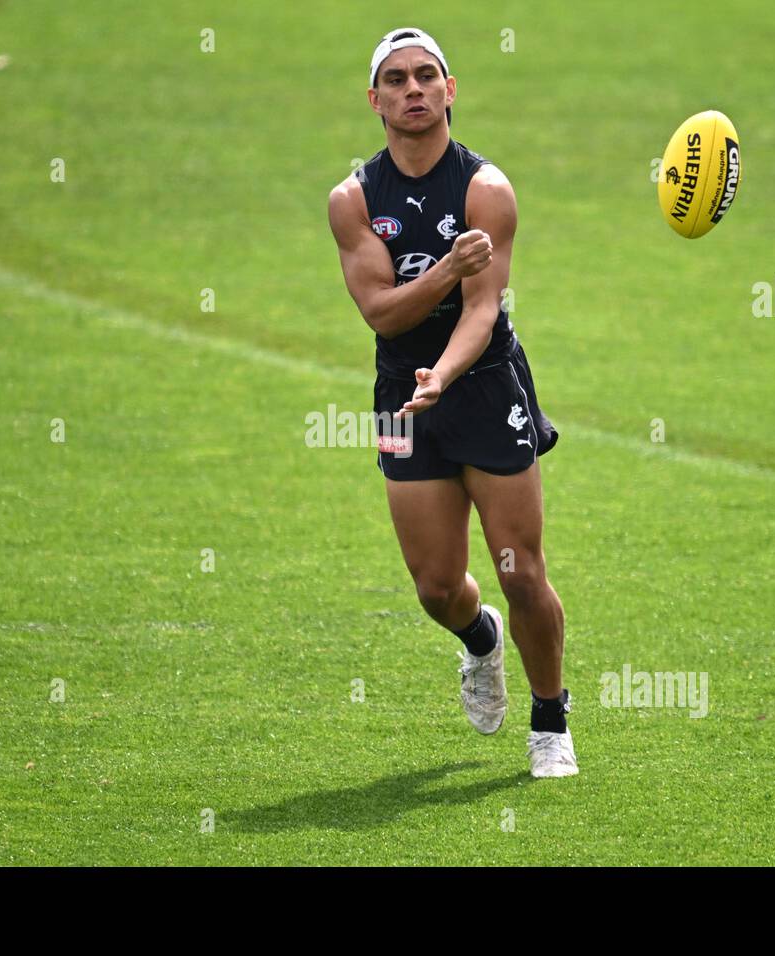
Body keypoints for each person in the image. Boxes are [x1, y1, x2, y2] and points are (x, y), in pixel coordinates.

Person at [326, 28, 577, 777]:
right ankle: (479, 642)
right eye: (397, 80)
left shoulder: (484, 189)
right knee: (437, 587)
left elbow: (480, 308)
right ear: (375, 99)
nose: (413, 90)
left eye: (426, 76)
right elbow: (381, 312)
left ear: (450, 89)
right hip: (404, 395)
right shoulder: (353, 202)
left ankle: (550, 722)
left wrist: (444, 373)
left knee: (520, 570)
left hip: (483, 384)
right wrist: (440, 274)